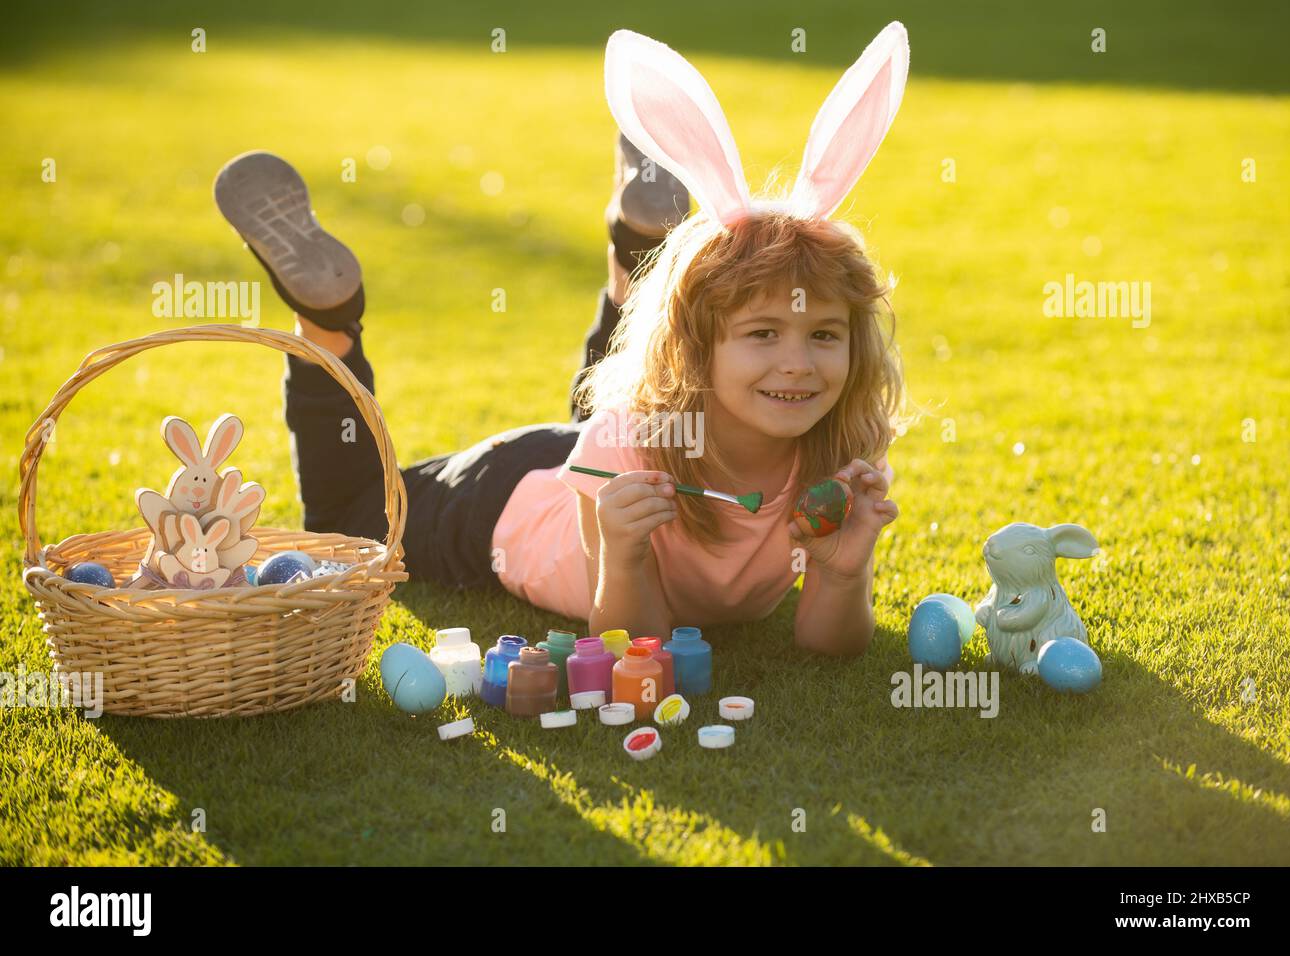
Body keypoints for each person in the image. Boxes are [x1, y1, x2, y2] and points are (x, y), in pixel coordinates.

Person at [215, 23, 912, 655]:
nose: (799, 364)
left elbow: (830, 647)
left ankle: (637, 245)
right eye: (764, 333)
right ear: (700, 349)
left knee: (613, 427)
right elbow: (634, 642)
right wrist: (623, 552)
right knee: (350, 525)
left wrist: (843, 569)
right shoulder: (625, 443)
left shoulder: (838, 449)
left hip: (601, 450)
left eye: (825, 334)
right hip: (502, 501)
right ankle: (330, 322)